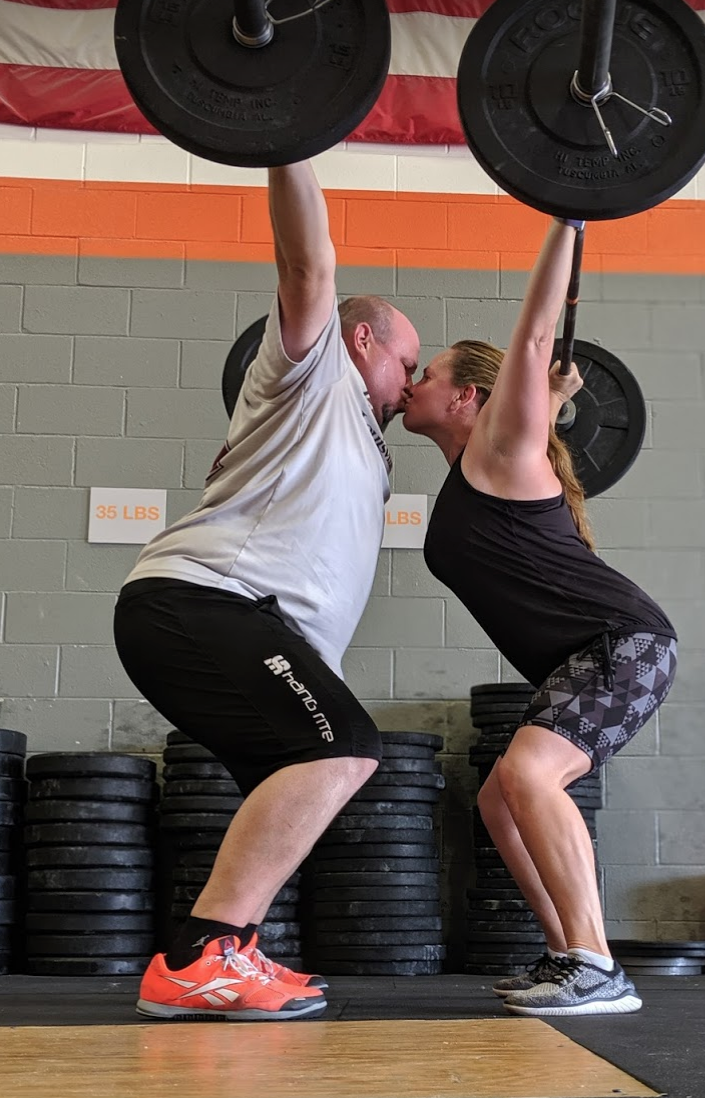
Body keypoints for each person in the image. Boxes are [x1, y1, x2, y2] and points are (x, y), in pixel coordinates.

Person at [113, 161, 420, 1022]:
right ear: (362, 341)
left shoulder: (363, 440)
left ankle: (234, 951)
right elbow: (308, 264)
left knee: (304, 774)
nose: (409, 383)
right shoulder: (313, 371)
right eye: (407, 362)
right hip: (204, 599)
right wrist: (293, 139)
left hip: (242, 621)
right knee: (344, 746)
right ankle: (197, 957)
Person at [403, 217, 677, 1017]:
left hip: (623, 645)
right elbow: (537, 388)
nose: (413, 383)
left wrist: (565, 218)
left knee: (527, 776)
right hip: (589, 656)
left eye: (428, 374)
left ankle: (596, 962)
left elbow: (530, 340)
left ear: (469, 396)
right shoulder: (488, 463)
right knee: (499, 799)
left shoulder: (502, 450)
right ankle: (569, 955)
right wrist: (553, 395)